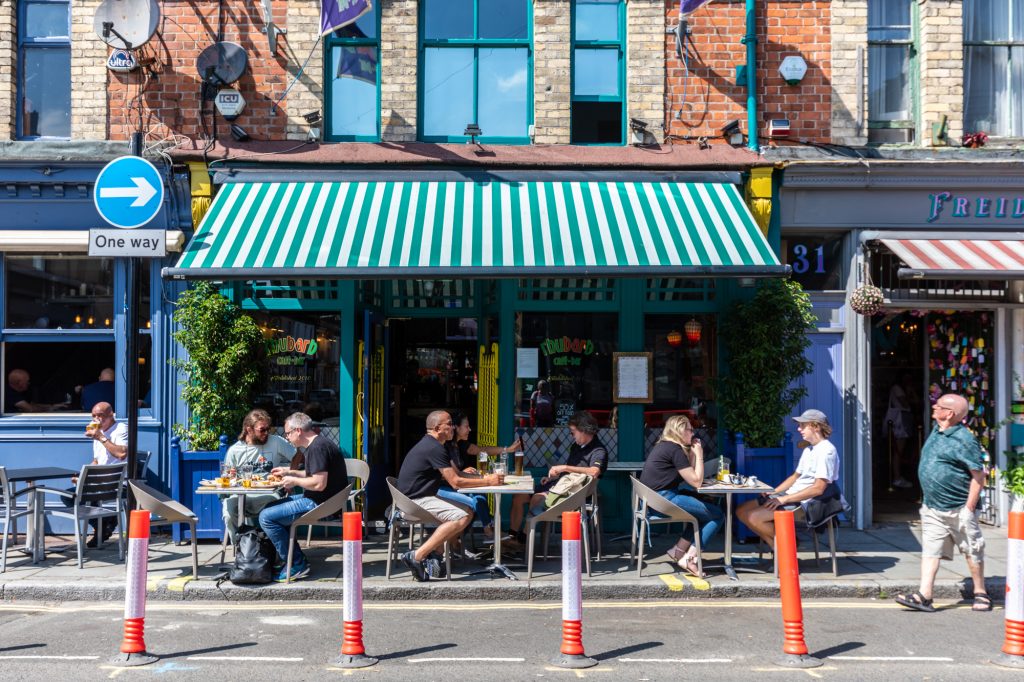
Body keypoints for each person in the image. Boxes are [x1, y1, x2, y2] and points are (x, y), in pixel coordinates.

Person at [895, 394, 990, 613]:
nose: (934, 407)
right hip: (933, 507)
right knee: (931, 550)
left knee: (972, 550)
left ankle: (980, 592)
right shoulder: (936, 430)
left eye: (939, 406)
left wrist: (968, 509)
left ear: (950, 413)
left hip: (959, 508)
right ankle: (924, 595)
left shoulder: (965, 440)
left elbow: (978, 477)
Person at [396, 410, 505, 581]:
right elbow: (455, 482)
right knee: (459, 517)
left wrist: (483, 478)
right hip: (413, 501)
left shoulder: (434, 445)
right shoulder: (434, 447)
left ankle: (436, 553)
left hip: (420, 496)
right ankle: (417, 555)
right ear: (438, 428)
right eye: (449, 424)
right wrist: (488, 482)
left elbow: (457, 475)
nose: (453, 427)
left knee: (468, 510)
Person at [258, 412, 348, 582]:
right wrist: (289, 471)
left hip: (319, 503)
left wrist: (294, 481)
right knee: (270, 509)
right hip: (322, 499)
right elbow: (312, 473)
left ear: (298, 430)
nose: (287, 437)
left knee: (266, 517)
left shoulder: (317, 448)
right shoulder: (319, 444)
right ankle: (294, 558)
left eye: (288, 433)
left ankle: (296, 564)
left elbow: (319, 483)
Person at [736, 408, 840, 548]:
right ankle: (781, 549)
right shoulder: (809, 449)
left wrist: (782, 499)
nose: (798, 429)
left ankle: (786, 551)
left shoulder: (826, 451)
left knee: (753, 517)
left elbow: (818, 488)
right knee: (741, 510)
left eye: (803, 425)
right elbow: (795, 476)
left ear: (815, 426)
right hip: (789, 496)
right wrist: (774, 492)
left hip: (806, 503)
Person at [639, 415, 724, 577]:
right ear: (679, 431)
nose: (693, 433)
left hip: (655, 502)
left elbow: (689, 475)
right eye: (690, 430)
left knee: (702, 513)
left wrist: (691, 455)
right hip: (664, 501)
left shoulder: (666, 446)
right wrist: (699, 454)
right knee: (717, 515)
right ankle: (690, 559)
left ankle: (678, 551)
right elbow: (696, 482)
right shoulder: (674, 450)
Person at [508, 410, 607, 544]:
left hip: (571, 495)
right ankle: (512, 537)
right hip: (560, 486)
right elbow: (570, 474)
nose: (572, 436)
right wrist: (553, 477)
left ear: (583, 430)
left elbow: (594, 471)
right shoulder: (576, 447)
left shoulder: (598, 450)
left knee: (537, 498)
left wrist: (564, 467)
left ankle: (523, 541)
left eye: (573, 432)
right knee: (519, 496)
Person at [437, 411, 522, 543]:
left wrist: (508, 449)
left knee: (478, 496)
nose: (470, 429)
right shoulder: (445, 446)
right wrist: (482, 478)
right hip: (444, 488)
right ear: (456, 427)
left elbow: (481, 450)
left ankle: (466, 540)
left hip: (455, 485)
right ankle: (487, 532)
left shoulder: (460, 444)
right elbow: (453, 475)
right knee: (476, 500)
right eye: (466, 426)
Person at [221, 409, 296, 544]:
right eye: (262, 430)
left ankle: (272, 548)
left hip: (270, 494)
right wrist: (231, 476)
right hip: (242, 496)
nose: (266, 433)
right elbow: (226, 477)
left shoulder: (276, 442)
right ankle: (242, 548)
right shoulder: (235, 450)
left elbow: (298, 458)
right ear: (249, 430)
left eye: (268, 429)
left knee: (275, 509)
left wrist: (289, 474)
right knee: (228, 511)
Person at [73, 402, 128, 547]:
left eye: (101, 416)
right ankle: (104, 523)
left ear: (111, 415)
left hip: (118, 484)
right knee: (71, 496)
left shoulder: (121, 429)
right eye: (94, 416)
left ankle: (104, 525)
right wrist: (83, 476)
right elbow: (97, 461)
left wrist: (100, 437)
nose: (97, 419)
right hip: (99, 483)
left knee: (82, 496)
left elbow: (122, 453)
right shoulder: (98, 431)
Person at [885, 372, 918, 489]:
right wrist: (909, 393)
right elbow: (906, 403)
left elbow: (916, 401)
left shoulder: (902, 388)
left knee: (901, 450)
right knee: (898, 450)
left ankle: (898, 476)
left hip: (904, 419)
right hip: (900, 421)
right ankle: (897, 477)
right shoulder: (897, 388)